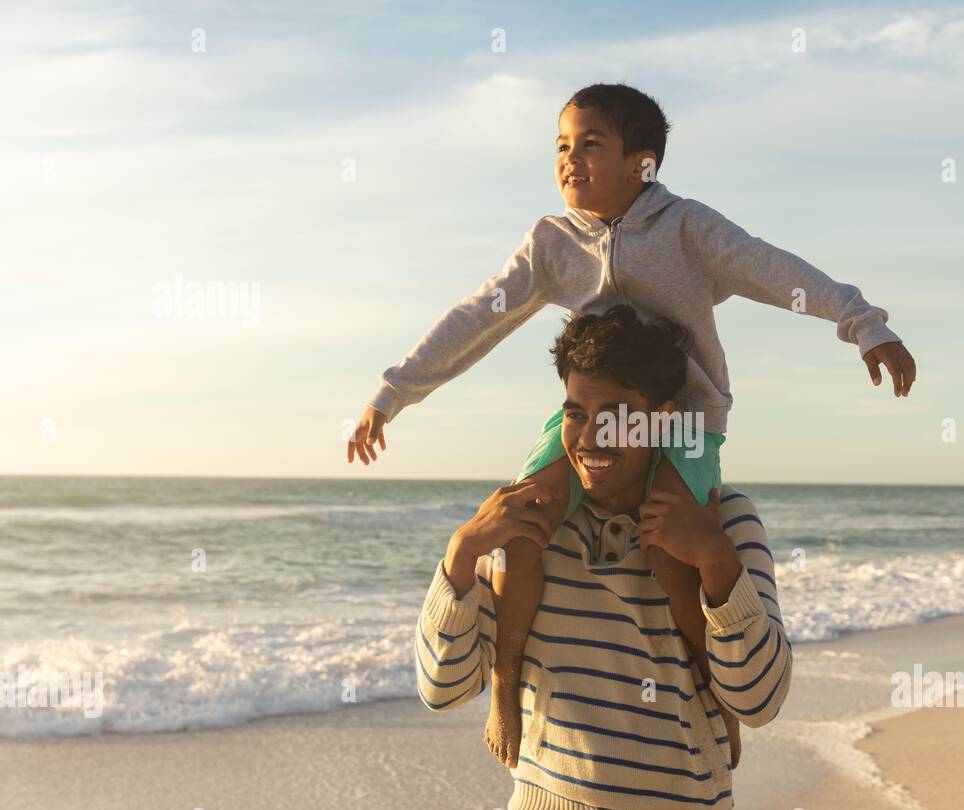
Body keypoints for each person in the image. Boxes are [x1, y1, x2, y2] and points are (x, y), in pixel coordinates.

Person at [358, 82, 914, 772]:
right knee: (524, 523)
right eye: (562, 146)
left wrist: (864, 324)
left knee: (670, 552)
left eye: (591, 144)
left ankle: (714, 695)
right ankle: (505, 684)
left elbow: (775, 270)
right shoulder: (550, 242)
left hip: (685, 422)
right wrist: (394, 393)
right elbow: (479, 317)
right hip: (593, 420)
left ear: (642, 163)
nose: (570, 160)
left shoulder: (688, 229)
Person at [414, 305, 792, 810]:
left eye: (614, 416)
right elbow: (441, 689)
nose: (589, 437)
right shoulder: (534, 525)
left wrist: (713, 558)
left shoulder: (725, 519)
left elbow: (760, 700)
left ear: (662, 420)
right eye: (575, 413)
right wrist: (461, 551)